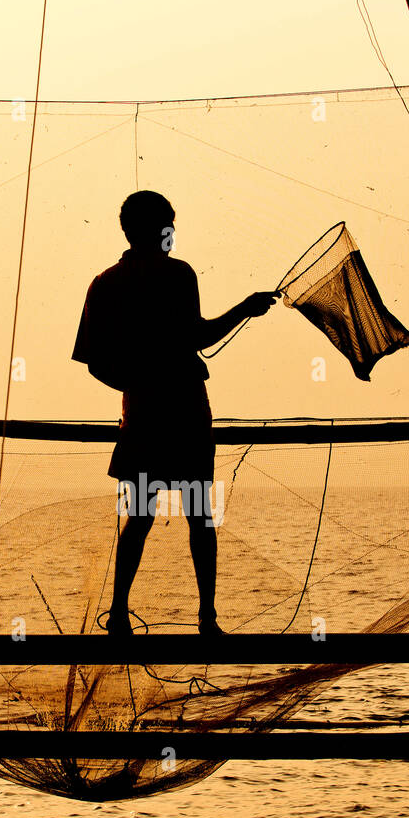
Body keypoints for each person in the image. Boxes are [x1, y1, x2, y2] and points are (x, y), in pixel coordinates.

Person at [72, 189, 277, 637]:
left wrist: (137, 386)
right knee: (200, 517)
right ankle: (207, 619)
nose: (173, 233)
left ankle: (120, 616)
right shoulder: (178, 275)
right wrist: (245, 308)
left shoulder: (105, 283)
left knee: (139, 519)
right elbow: (199, 336)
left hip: (142, 419)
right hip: (185, 414)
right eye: (169, 224)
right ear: (156, 229)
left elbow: (94, 362)